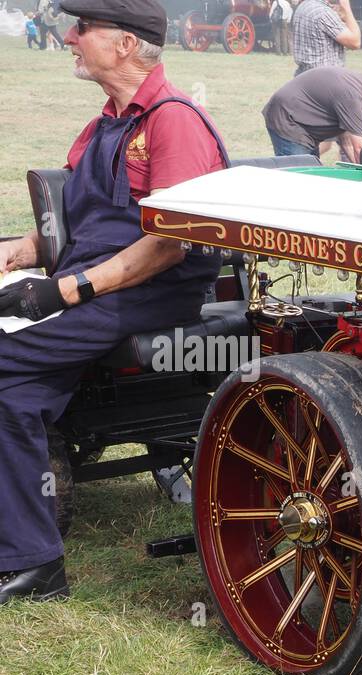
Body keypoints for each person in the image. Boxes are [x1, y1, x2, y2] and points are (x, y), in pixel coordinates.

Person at [0, 0, 227, 606]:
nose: (69, 37)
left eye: (82, 29)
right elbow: (74, 213)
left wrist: (64, 290)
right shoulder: (108, 120)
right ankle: (35, 563)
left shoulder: (172, 119)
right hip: (99, 284)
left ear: (124, 44)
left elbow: (170, 245)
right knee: (13, 395)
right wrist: (18, 254)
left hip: (148, 295)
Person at [263, 67, 362, 159]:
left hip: (300, 123)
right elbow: (360, 147)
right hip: (288, 119)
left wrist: (359, 168)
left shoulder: (361, 86)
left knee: (311, 170)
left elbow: (346, 139)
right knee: (298, 177)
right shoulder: (353, 98)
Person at [291, 0, 360, 76]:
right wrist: (346, 8)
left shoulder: (303, 6)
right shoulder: (323, 12)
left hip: (305, 75)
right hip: (325, 77)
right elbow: (355, 42)